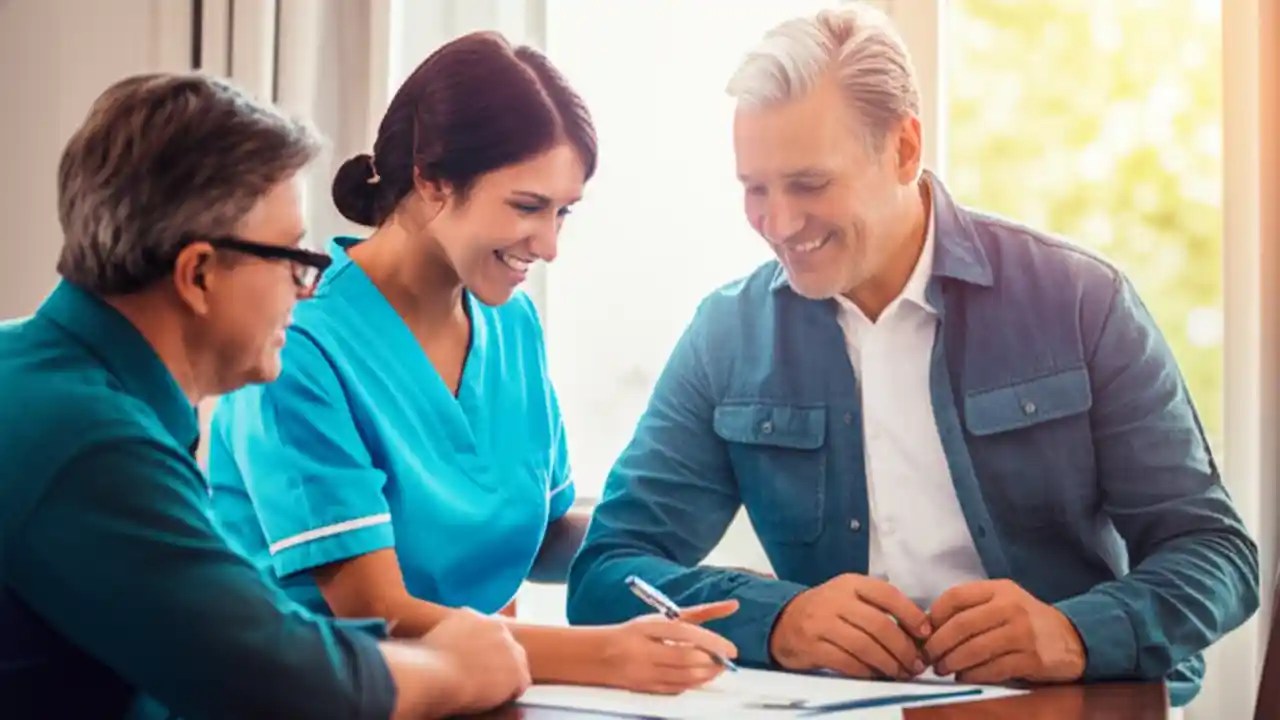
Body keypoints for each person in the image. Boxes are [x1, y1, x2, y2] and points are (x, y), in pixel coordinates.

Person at [566, 3, 1258, 707]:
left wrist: (1075, 635)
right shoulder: (728, 336)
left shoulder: (1082, 302)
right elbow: (607, 573)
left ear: (903, 148)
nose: (778, 223)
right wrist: (778, 621)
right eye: (755, 189)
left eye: (809, 183)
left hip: (1070, 704)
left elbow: (1218, 558)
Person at [207, 31, 738, 694]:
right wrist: (606, 654)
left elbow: (542, 534)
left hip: (467, 697)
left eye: (564, 212)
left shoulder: (513, 324)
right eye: (528, 207)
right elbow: (378, 613)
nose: (550, 245)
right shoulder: (298, 345)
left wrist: (689, 563)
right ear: (431, 180)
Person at [0, 71, 532, 719]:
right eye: (289, 257)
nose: (306, 288)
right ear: (198, 274)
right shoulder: (89, 442)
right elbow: (274, 678)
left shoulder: (38, 377)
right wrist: (457, 668)